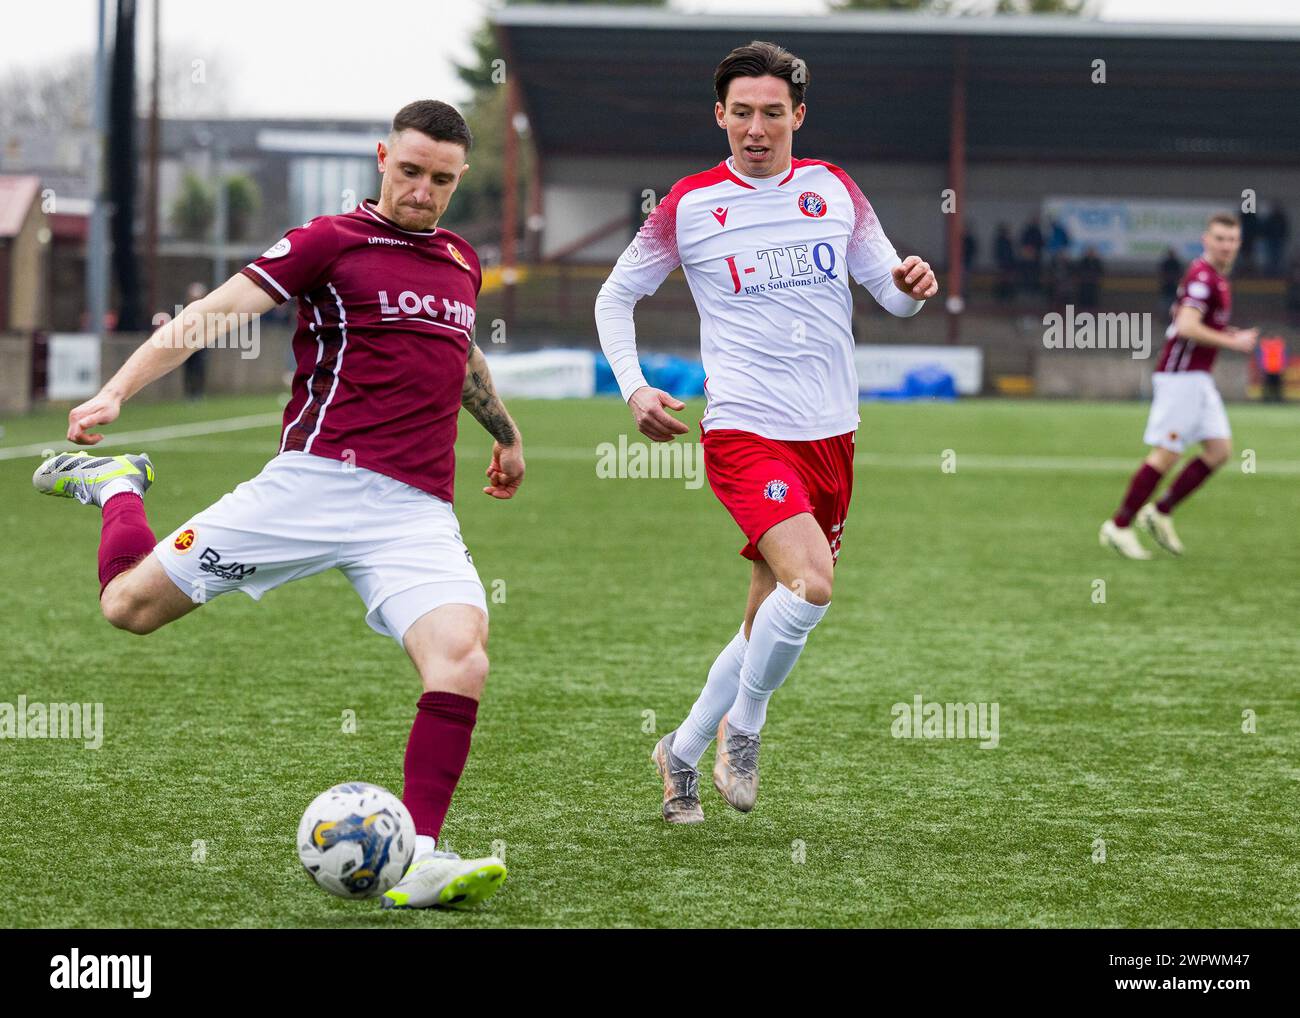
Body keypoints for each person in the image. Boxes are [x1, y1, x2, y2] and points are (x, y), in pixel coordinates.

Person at [31, 100, 523, 910]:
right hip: (312, 486)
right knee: (127, 608)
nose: (421, 191)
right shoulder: (331, 240)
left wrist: (505, 434)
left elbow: (462, 353)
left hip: (415, 511)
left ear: (459, 176)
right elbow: (212, 314)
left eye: (440, 179)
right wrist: (117, 391)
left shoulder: (461, 259)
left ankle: (423, 855)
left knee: (462, 658)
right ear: (382, 158)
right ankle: (117, 485)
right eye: (409, 171)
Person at [594, 40, 936, 824]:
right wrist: (634, 386)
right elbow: (615, 297)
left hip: (832, 434)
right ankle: (743, 729)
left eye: (772, 113)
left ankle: (680, 750)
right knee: (811, 584)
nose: (756, 128)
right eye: (741, 112)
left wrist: (913, 286)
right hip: (745, 429)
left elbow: (892, 293)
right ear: (719, 114)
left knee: (769, 613)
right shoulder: (689, 205)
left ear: (798, 116)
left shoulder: (833, 189)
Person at [1100, 213, 1257, 559]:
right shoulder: (1202, 277)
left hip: (1198, 377)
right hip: (1181, 376)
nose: (1226, 245)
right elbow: (1187, 326)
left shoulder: (1217, 278)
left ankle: (1160, 511)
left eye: (1232, 240)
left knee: (1219, 451)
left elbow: (1196, 324)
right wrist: (1233, 342)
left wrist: (1230, 334)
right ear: (1206, 240)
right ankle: (1119, 525)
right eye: (1220, 238)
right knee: (1166, 454)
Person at [181, 282, 208, 400]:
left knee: (200, 368)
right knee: (188, 369)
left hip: (201, 345)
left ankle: (198, 392)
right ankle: (188, 393)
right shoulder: (183, 310)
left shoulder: (207, 311)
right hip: (186, 345)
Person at [994, 223, 1017, 303]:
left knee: (1008, 280)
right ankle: (1002, 296)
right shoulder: (1001, 241)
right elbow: (1000, 253)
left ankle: (1007, 296)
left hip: (1008, 263)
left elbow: (1011, 253)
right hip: (1004, 263)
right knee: (1003, 280)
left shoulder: (1007, 241)